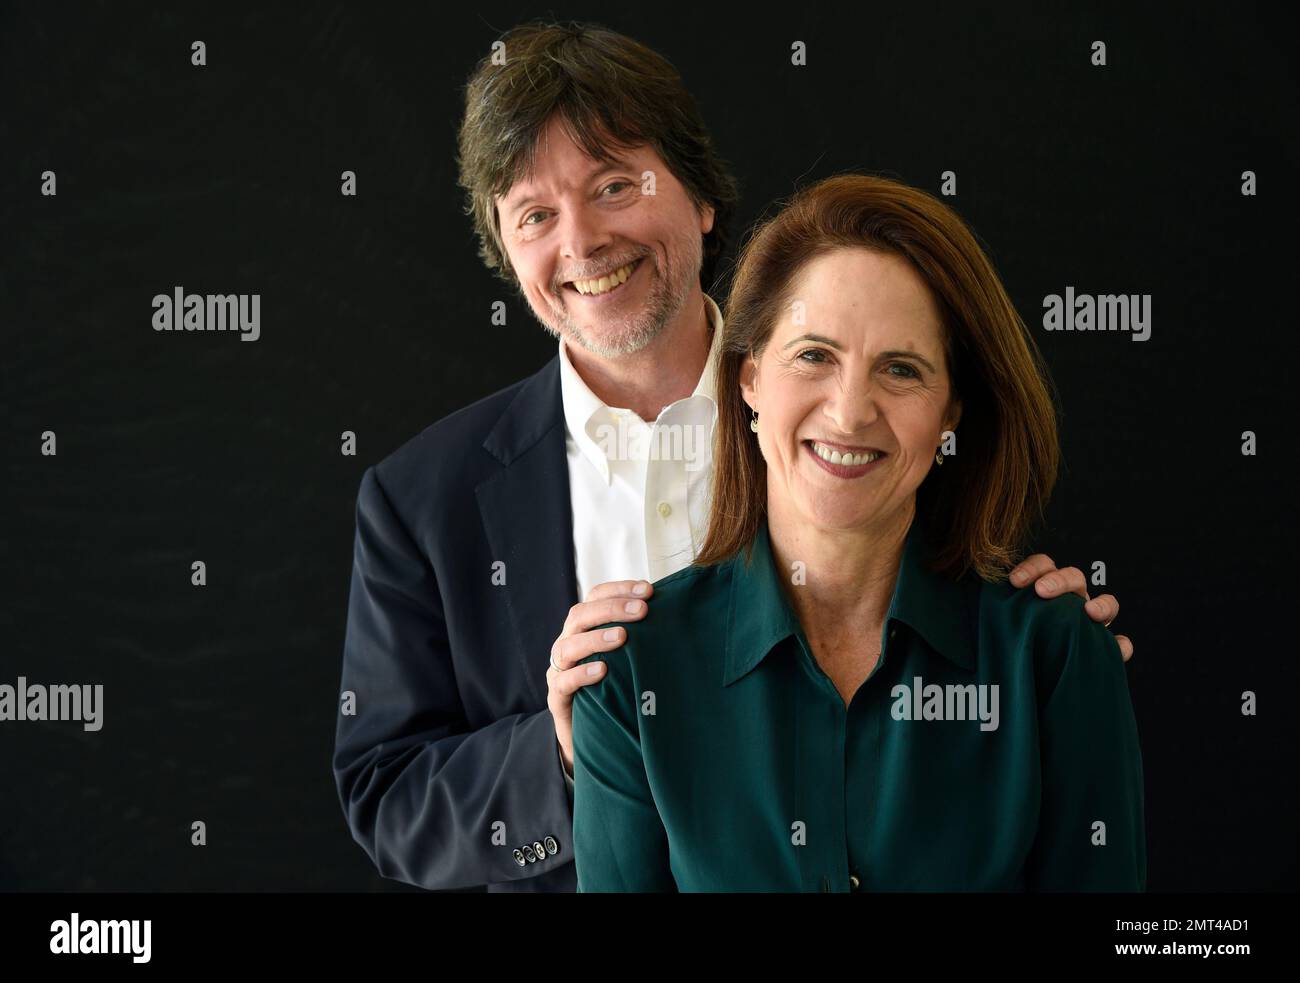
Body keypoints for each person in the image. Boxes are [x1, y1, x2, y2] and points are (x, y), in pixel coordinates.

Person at [333, 21, 1136, 894]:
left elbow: (966, 604)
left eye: (614, 185)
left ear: (703, 199)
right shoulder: (419, 499)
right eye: (535, 214)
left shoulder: (844, 430)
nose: (583, 241)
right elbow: (388, 799)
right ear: (504, 245)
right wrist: (571, 749)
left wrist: (1054, 658)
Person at [570, 173, 1146, 892]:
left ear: (949, 415)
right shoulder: (629, 677)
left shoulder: (1054, 659)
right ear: (749, 379)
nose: (848, 413)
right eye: (814, 355)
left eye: (900, 370)